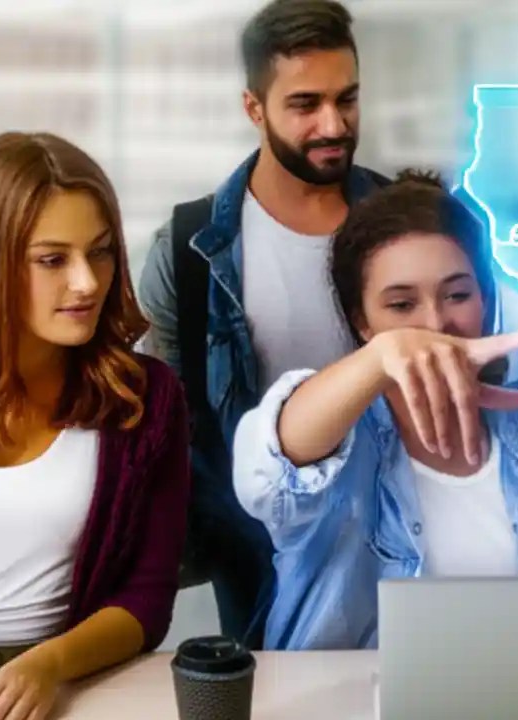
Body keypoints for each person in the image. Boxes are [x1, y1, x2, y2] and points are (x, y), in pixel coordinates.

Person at [232, 172, 518, 650]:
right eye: (401, 305)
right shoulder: (337, 434)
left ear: (485, 298)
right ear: (361, 321)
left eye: (457, 295)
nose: (434, 324)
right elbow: (267, 472)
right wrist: (384, 358)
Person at [137, 0, 389, 648]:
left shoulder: (411, 224)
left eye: (347, 99)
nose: (333, 124)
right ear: (255, 108)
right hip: (256, 561)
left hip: (402, 542)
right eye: (305, 104)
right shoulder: (190, 251)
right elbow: (170, 433)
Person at [0, 132, 190, 720]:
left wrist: (48, 665)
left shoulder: (146, 399)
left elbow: (147, 599)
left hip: (85, 686)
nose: (87, 282)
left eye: (99, 252)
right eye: (53, 260)